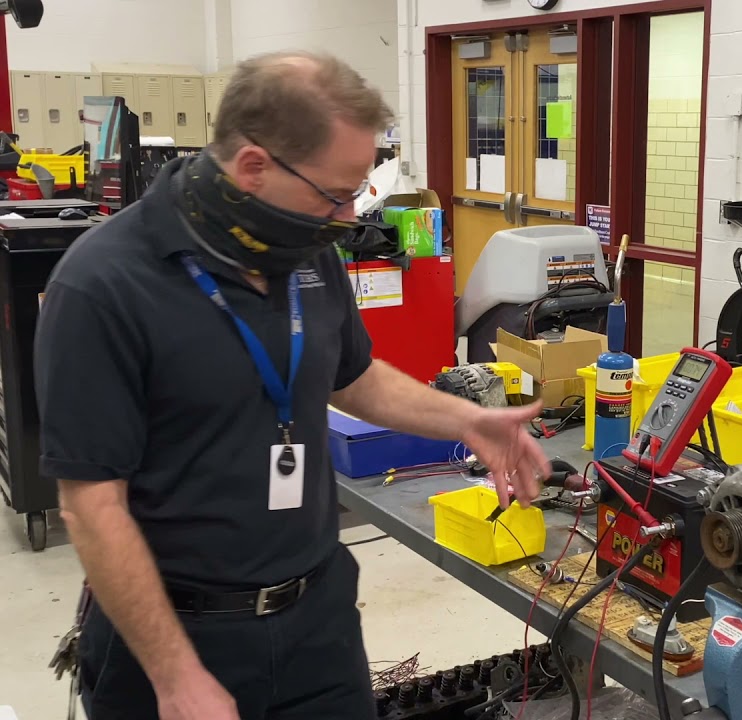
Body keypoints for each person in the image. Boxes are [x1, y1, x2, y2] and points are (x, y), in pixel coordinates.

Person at [34, 51, 549, 720]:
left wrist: (467, 420)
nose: (347, 213)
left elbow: (353, 376)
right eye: (336, 194)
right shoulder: (103, 284)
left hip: (318, 626)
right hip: (173, 637)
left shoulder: (304, 249)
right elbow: (91, 507)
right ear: (254, 167)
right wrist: (176, 676)